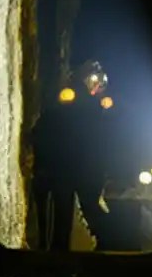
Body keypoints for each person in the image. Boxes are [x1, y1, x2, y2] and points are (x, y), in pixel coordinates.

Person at [32, 59, 121, 250]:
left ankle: (108, 242)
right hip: (67, 166)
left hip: (86, 168)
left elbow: (109, 138)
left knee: (91, 207)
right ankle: (59, 250)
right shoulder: (67, 102)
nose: (95, 84)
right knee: (63, 210)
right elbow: (47, 127)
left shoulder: (101, 107)